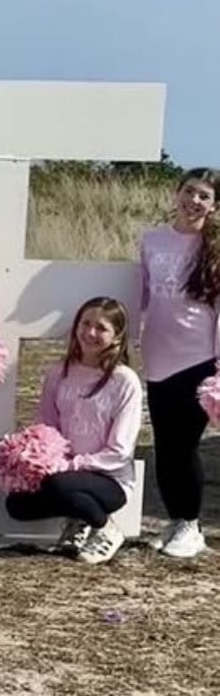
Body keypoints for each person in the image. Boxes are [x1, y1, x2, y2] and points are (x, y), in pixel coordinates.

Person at [3, 297, 142, 564]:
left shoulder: (125, 381)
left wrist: (72, 465)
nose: (90, 333)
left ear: (116, 336)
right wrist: (39, 459)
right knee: (16, 504)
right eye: (85, 324)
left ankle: (105, 529)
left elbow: (120, 451)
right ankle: (79, 520)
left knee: (58, 484)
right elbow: (47, 424)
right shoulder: (59, 372)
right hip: (64, 471)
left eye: (101, 328)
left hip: (108, 478)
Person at [136, 168, 220, 558]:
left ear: (215, 205)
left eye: (204, 196)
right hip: (157, 358)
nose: (195, 201)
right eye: (190, 192)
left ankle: (191, 525)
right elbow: (142, 296)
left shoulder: (214, 246)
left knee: (185, 446)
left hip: (198, 359)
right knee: (165, 446)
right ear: (177, 194)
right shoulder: (152, 240)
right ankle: (174, 520)